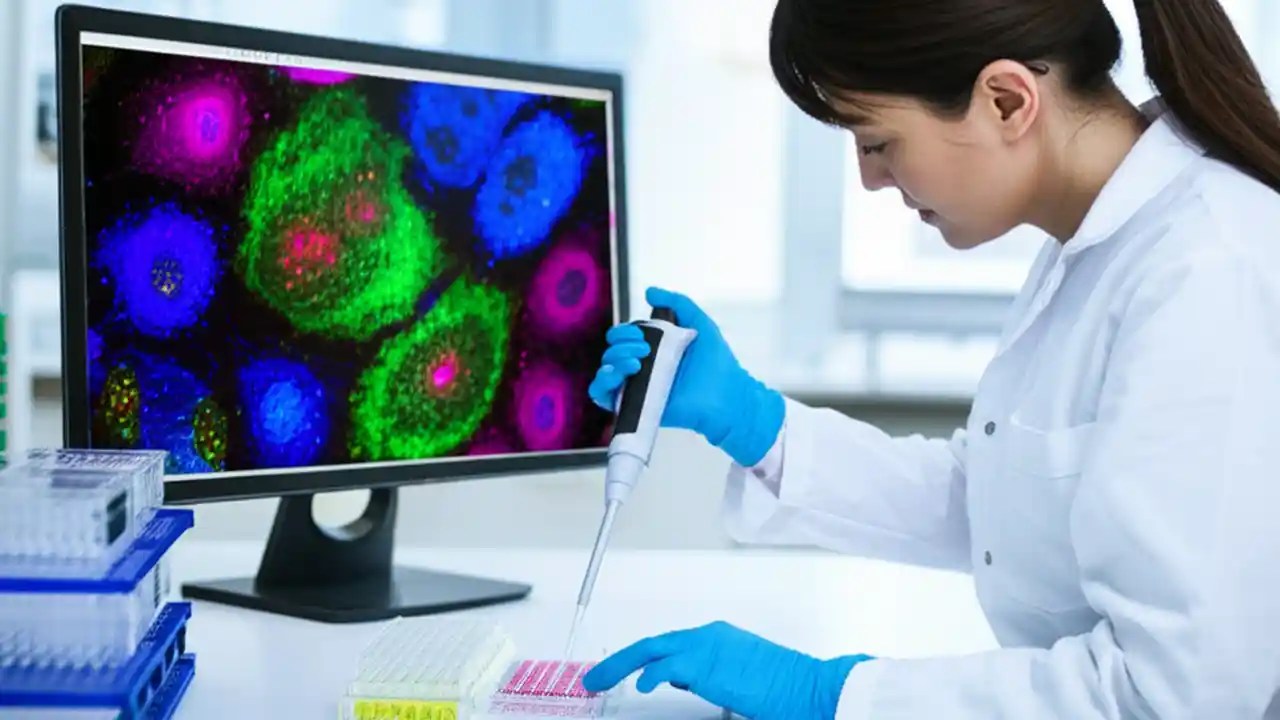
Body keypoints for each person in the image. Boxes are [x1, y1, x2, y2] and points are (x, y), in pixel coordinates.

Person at [578, 0, 1280, 718]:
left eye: (877, 142)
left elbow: (1173, 698)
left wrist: (834, 696)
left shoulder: (1207, 269)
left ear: (1007, 101)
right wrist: (758, 424)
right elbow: (1007, 501)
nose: (870, 180)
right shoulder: (1102, 242)